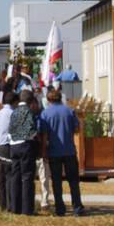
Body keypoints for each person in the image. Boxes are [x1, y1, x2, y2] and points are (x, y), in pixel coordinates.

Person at [38, 87, 87, 216]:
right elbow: (77, 130)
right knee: (73, 181)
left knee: (57, 181)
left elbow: (44, 136)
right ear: (61, 98)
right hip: (69, 150)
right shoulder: (70, 111)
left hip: (54, 151)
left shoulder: (45, 113)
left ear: (48, 100)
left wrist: (43, 152)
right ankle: (77, 207)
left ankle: (60, 208)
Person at [7, 89, 39, 215]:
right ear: (30, 100)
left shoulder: (14, 112)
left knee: (15, 176)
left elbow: (10, 129)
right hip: (26, 145)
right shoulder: (29, 112)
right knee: (27, 177)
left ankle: (15, 207)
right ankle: (27, 209)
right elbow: (32, 129)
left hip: (13, 146)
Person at [0, 91, 14, 211]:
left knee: (1, 177)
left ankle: (3, 203)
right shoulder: (12, 113)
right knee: (9, 176)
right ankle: (10, 204)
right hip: (7, 145)